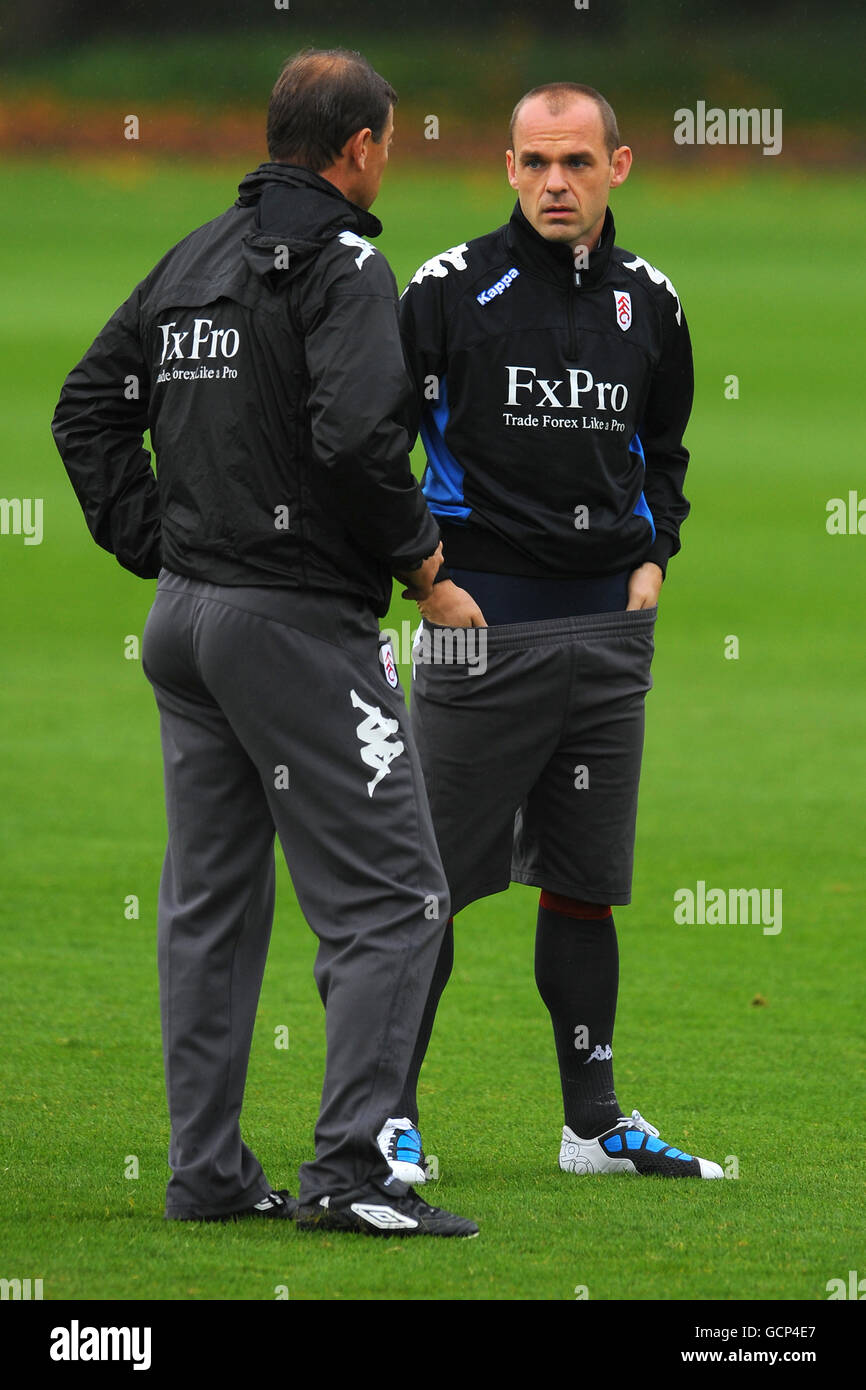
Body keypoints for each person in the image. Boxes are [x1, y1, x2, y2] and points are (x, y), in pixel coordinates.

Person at [51, 48, 478, 1237]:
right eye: (387, 142)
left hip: (185, 626)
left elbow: (84, 407)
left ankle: (207, 1171)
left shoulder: (191, 252)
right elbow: (355, 442)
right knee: (396, 896)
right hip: (288, 624)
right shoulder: (343, 265)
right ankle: (350, 1168)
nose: (386, 159)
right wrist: (426, 569)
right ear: (356, 150)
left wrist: (165, 545)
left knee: (208, 909)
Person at [392, 82, 723, 1179]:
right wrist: (424, 574)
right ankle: (383, 1119)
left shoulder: (651, 300)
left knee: (585, 881)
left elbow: (663, 449)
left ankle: (592, 1121)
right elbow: (360, 441)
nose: (554, 184)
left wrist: (653, 552)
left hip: (604, 628)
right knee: (426, 882)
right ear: (505, 167)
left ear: (616, 168)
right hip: (473, 624)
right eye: (534, 162)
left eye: (576, 163)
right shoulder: (442, 291)